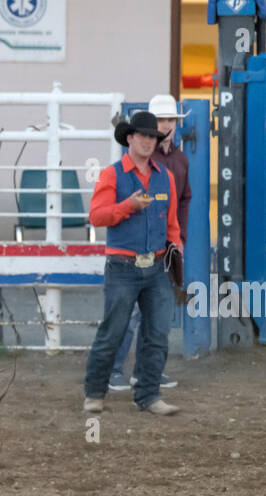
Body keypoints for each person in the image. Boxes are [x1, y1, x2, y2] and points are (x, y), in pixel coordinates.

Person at [82, 110, 183, 416]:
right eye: (144, 135)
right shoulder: (112, 175)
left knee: (157, 333)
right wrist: (128, 206)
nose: (150, 141)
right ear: (130, 138)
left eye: (154, 136)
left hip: (155, 266)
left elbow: (172, 223)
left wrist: (176, 249)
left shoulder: (164, 176)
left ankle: (148, 394)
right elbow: (96, 216)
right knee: (113, 331)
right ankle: (96, 392)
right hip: (123, 266)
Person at [109, 94, 190, 393]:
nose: (167, 126)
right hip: (139, 247)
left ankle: (144, 371)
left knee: (153, 311)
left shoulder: (179, 160)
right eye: (162, 121)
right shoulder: (145, 160)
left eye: (170, 120)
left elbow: (184, 198)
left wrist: (178, 236)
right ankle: (115, 369)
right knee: (130, 312)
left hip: (164, 246)